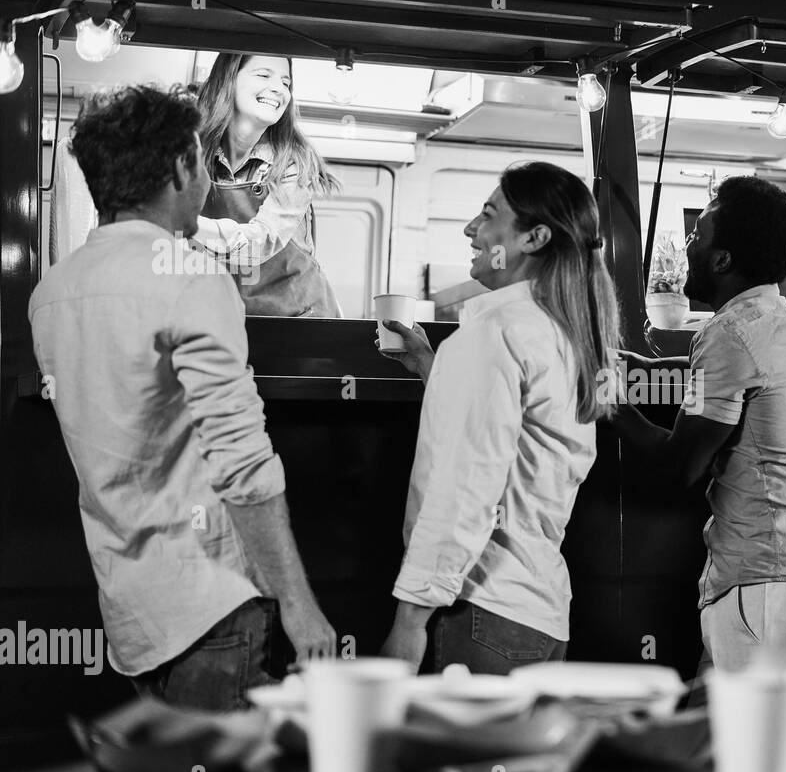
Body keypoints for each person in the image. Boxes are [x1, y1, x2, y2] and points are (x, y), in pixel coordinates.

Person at [28, 85, 336, 710]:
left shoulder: (52, 293)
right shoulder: (191, 277)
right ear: (180, 168)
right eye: (200, 158)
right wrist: (298, 602)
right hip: (215, 603)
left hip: (130, 611)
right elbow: (242, 464)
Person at [612, 176, 786, 740]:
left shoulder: (729, 334)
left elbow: (680, 467)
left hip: (767, 581)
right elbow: (732, 383)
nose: (687, 243)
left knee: (767, 769)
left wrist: (608, 405)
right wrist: (643, 370)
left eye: (697, 232)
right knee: (706, 756)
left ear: (720, 258)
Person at [378, 162, 621, 673]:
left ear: (533, 238)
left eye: (488, 215)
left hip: (479, 610)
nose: (472, 230)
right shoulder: (565, 333)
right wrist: (434, 367)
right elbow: (514, 447)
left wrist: (408, 623)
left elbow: (466, 491)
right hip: (538, 616)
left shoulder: (496, 333)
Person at [194, 53, 342, 317]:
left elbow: (260, 243)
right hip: (233, 316)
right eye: (264, 75)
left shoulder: (294, 162)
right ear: (228, 80)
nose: (279, 89)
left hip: (299, 320)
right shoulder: (194, 155)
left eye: (286, 83)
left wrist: (186, 224)